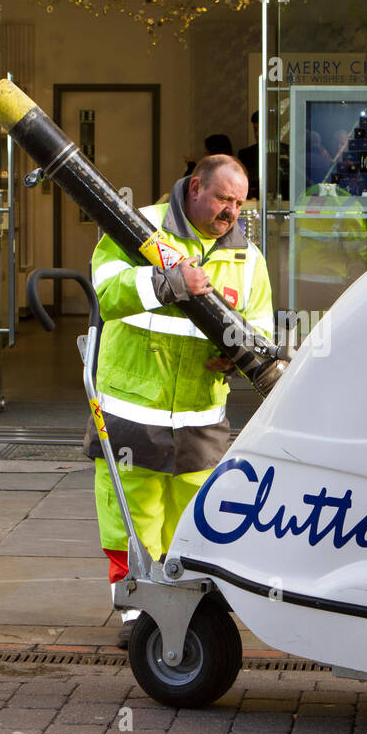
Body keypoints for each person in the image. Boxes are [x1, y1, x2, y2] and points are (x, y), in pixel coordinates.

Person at [84, 155, 274, 646]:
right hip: (133, 410)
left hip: (200, 416)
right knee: (133, 520)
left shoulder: (248, 257)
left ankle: (187, 612)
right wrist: (170, 283)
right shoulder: (138, 228)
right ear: (195, 188)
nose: (230, 211)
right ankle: (138, 618)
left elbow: (263, 328)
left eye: (238, 202)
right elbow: (108, 293)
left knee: (193, 519)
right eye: (222, 199)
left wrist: (235, 358)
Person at [237, 110, 290, 200]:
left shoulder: (287, 151)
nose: (257, 134)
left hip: (285, 202)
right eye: (255, 129)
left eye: (260, 130)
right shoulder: (245, 154)